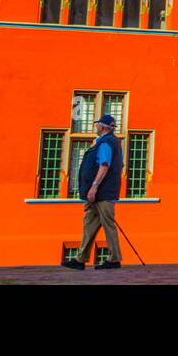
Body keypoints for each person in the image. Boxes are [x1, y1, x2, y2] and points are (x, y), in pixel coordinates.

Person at [62, 114, 125, 270]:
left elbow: (104, 165)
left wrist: (94, 186)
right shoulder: (110, 142)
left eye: (97, 124)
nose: (95, 127)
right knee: (89, 223)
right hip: (98, 194)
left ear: (103, 127)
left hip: (102, 193)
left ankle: (114, 259)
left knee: (108, 224)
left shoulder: (106, 143)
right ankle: (80, 258)